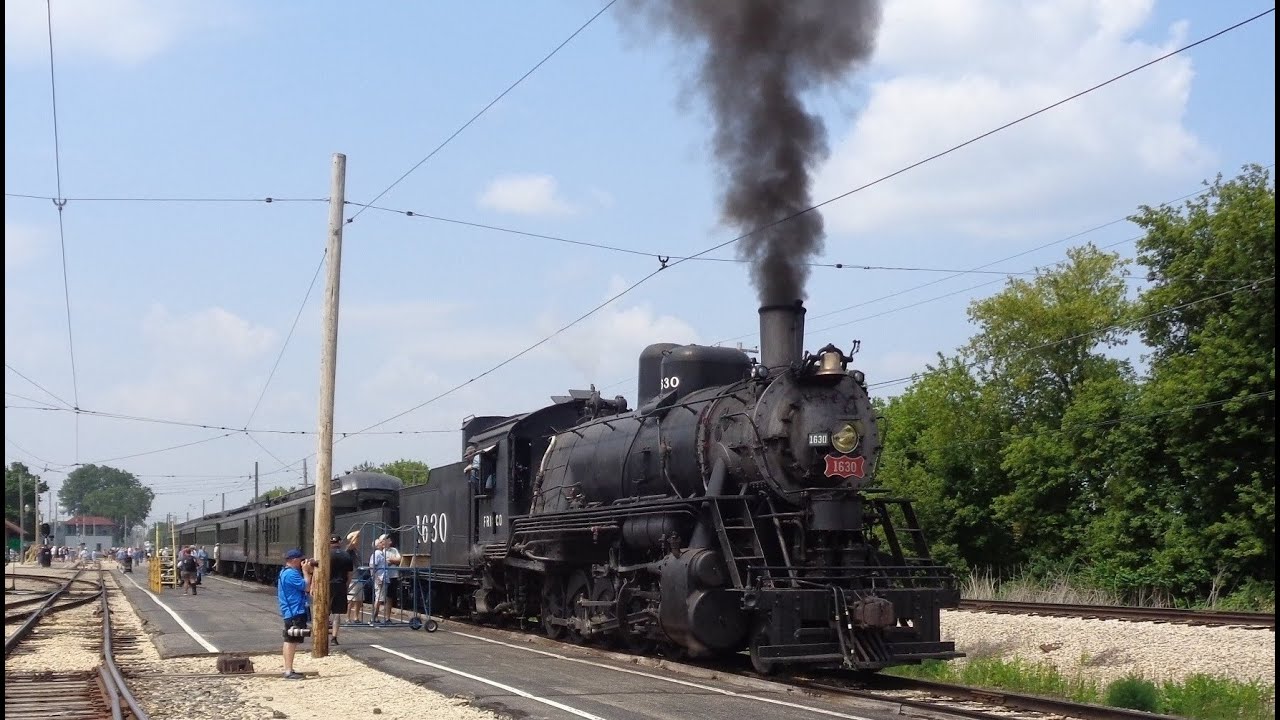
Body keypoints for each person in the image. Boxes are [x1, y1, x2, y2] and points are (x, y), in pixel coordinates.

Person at [278, 549, 314, 680]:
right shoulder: (291, 574)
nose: (302, 562)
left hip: (293, 610)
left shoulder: (286, 572)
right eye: (300, 560)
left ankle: (289, 669)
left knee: (291, 639)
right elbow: (307, 587)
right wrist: (306, 572)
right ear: (293, 560)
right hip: (294, 611)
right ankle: (288, 671)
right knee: (290, 640)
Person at [326, 534, 354, 645]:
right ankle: (334, 637)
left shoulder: (326, 555)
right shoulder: (346, 555)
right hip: (341, 585)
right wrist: (346, 585)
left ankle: (322, 633)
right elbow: (350, 574)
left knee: (324, 611)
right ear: (340, 542)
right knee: (337, 613)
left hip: (327, 585)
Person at [369, 535, 390, 624]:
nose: (383, 544)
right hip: (380, 579)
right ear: (378, 545)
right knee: (379, 598)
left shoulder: (382, 554)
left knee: (380, 598)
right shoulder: (377, 554)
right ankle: (373, 617)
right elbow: (372, 566)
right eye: (381, 542)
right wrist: (376, 578)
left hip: (383, 578)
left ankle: (375, 617)